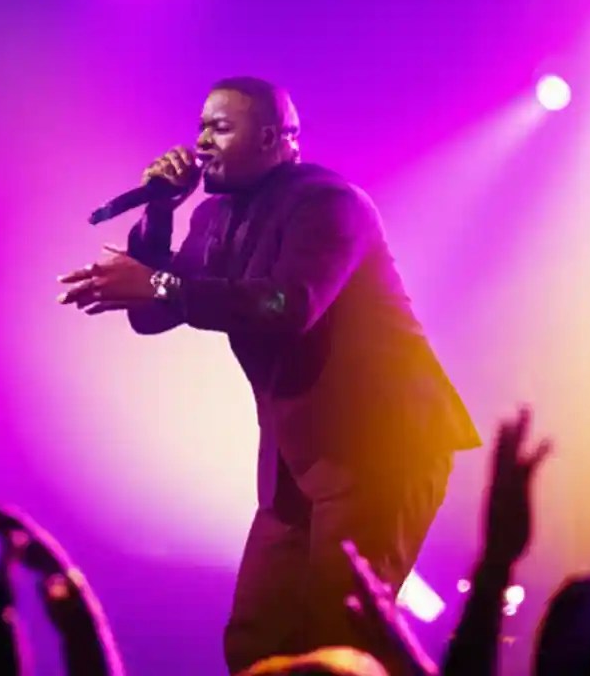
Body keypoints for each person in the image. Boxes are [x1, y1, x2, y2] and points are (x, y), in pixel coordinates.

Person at [58, 76, 480, 672]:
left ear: (272, 138)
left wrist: (158, 283)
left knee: (338, 636)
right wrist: (159, 213)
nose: (202, 142)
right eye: (201, 127)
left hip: (381, 446)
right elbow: (153, 314)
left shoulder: (328, 204)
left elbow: (288, 306)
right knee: (257, 638)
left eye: (220, 128)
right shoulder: (213, 216)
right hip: (298, 462)